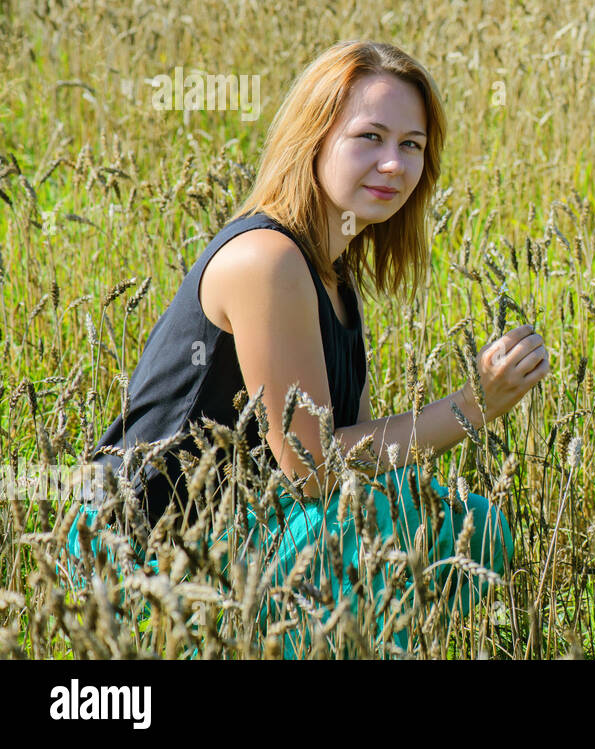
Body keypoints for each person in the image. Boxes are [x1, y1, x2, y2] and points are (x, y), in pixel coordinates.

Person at [62, 40, 550, 657]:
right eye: (369, 137)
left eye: (412, 145)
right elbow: (310, 469)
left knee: (463, 526)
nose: (394, 165)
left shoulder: (334, 274)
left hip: (230, 535)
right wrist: (469, 410)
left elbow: (355, 458)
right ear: (313, 139)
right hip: (139, 551)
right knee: (375, 533)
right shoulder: (267, 261)